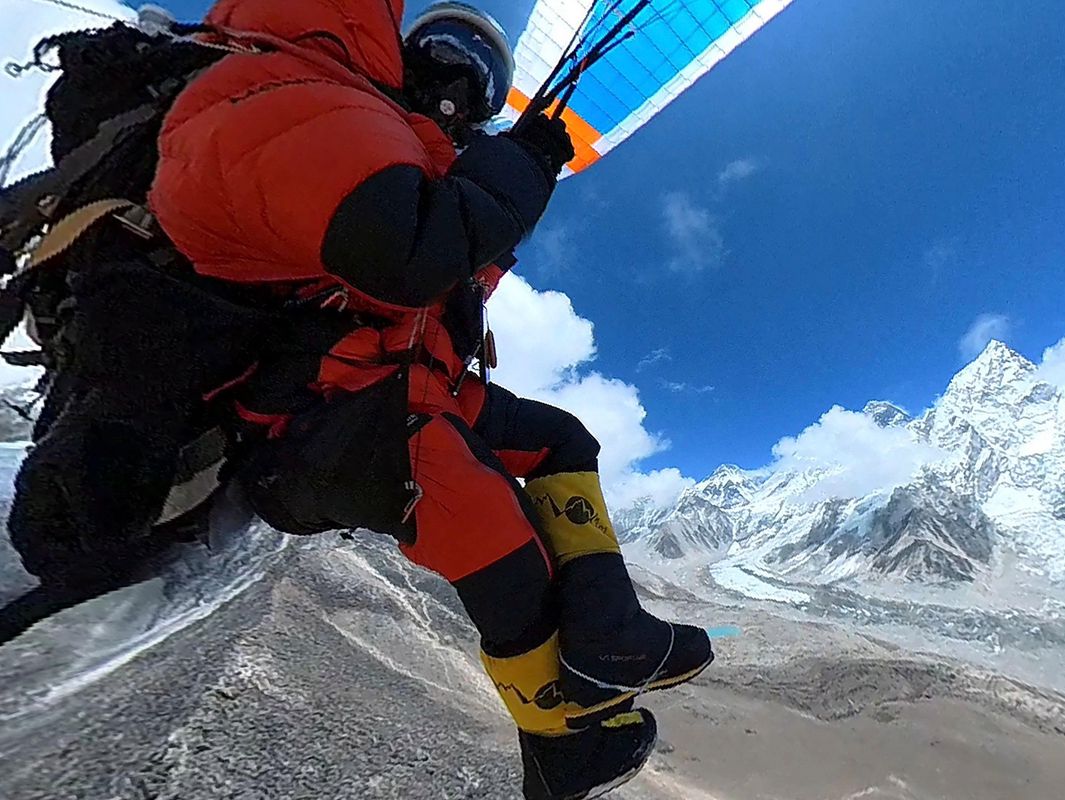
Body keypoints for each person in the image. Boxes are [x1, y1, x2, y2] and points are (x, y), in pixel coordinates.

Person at [145, 1, 712, 797]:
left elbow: (442, 266)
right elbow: (405, 249)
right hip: (326, 406)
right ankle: (557, 737)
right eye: (441, 53)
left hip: (407, 385)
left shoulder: (424, 162)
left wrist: (506, 171)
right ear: (399, 58)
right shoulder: (348, 122)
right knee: (493, 536)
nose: (455, 79)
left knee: (561, 439)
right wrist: (524, 165)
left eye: (476, 73)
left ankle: (609, 630)